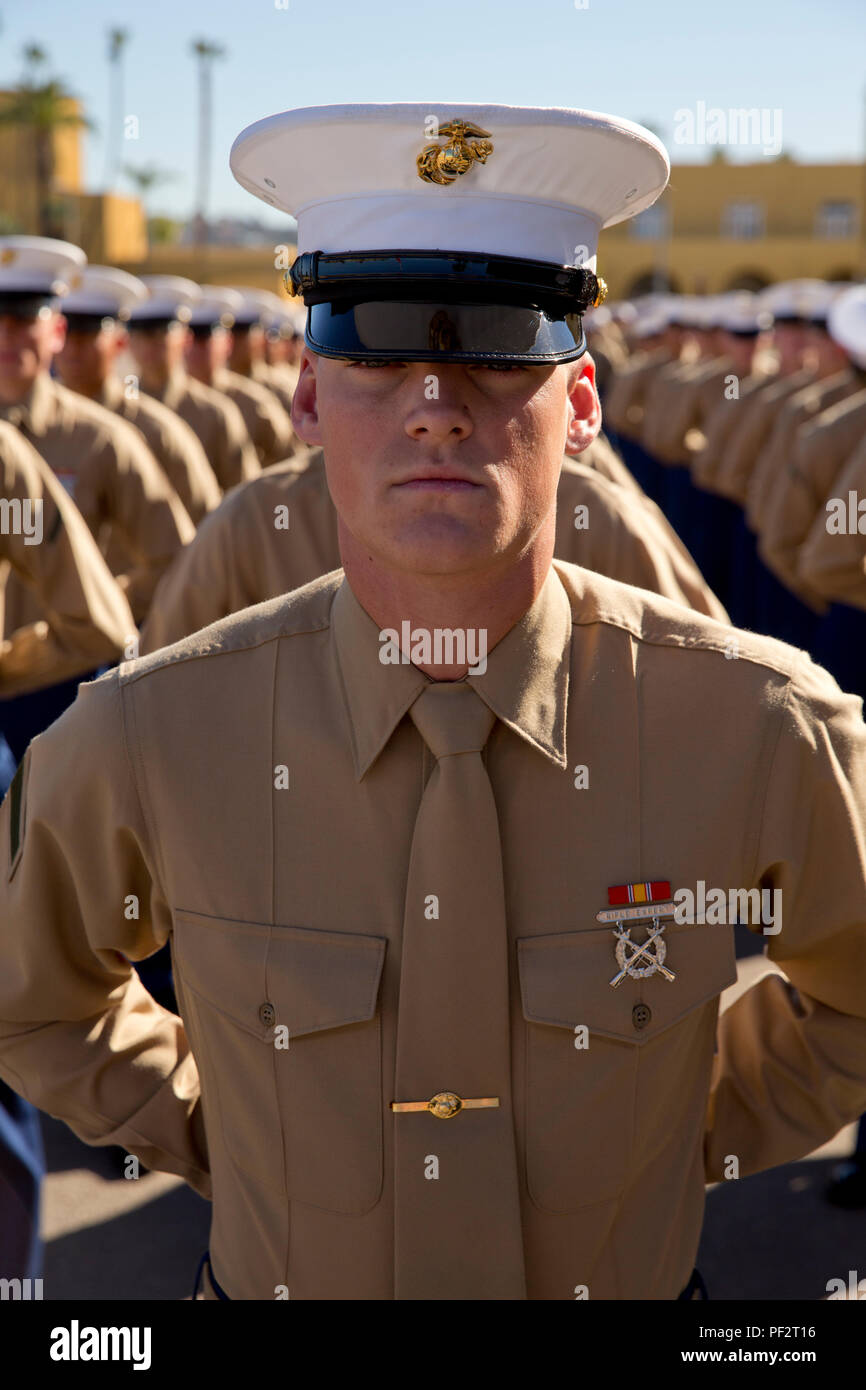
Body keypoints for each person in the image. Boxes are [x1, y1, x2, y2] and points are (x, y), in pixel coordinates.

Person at [2, 103, 866, 1304]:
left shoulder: (761, 726)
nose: (434, 402)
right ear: (304, 396)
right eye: (372, 345)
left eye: (501, 344)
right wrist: (236, 1136)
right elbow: (34, 1000)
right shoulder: (145, 734)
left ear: (580, 405)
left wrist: (673, 1131)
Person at [0, 237, 193, 759]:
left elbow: (176, 558)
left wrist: (94, 609)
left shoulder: (102, 440)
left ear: (53, 330)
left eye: (22, 320)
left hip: (62, 680)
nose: (6, 337)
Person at [55, 265, 222, 525]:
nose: (73, 347)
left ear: (119, 341)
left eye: (87, 334)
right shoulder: (20, 429)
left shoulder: (159, 431)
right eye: (66, 334)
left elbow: (210, 528)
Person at [126, 276, 260, 493]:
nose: (149, 344)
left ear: (183, 339)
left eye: (160, 333)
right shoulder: (122, 409)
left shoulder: (215, 413)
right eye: (140, 333)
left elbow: (246, 496)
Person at [184, 286, 297, 467]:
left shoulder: (259, 401)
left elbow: (292, 465)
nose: (197, 348)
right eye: (193, 338)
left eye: (205, 338)